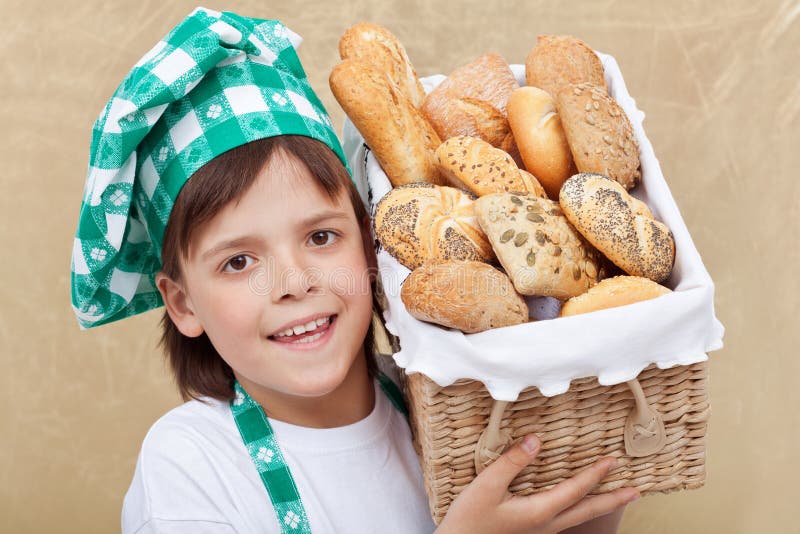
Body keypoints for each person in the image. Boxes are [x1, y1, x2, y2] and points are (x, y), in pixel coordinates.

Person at [71, 7, 639, 533]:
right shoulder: (191, 463)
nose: (295, 282)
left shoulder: (444, 398)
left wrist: (587, 492)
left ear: (371, 247)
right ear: (183, 303)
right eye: (238, 261)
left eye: (321, 237)